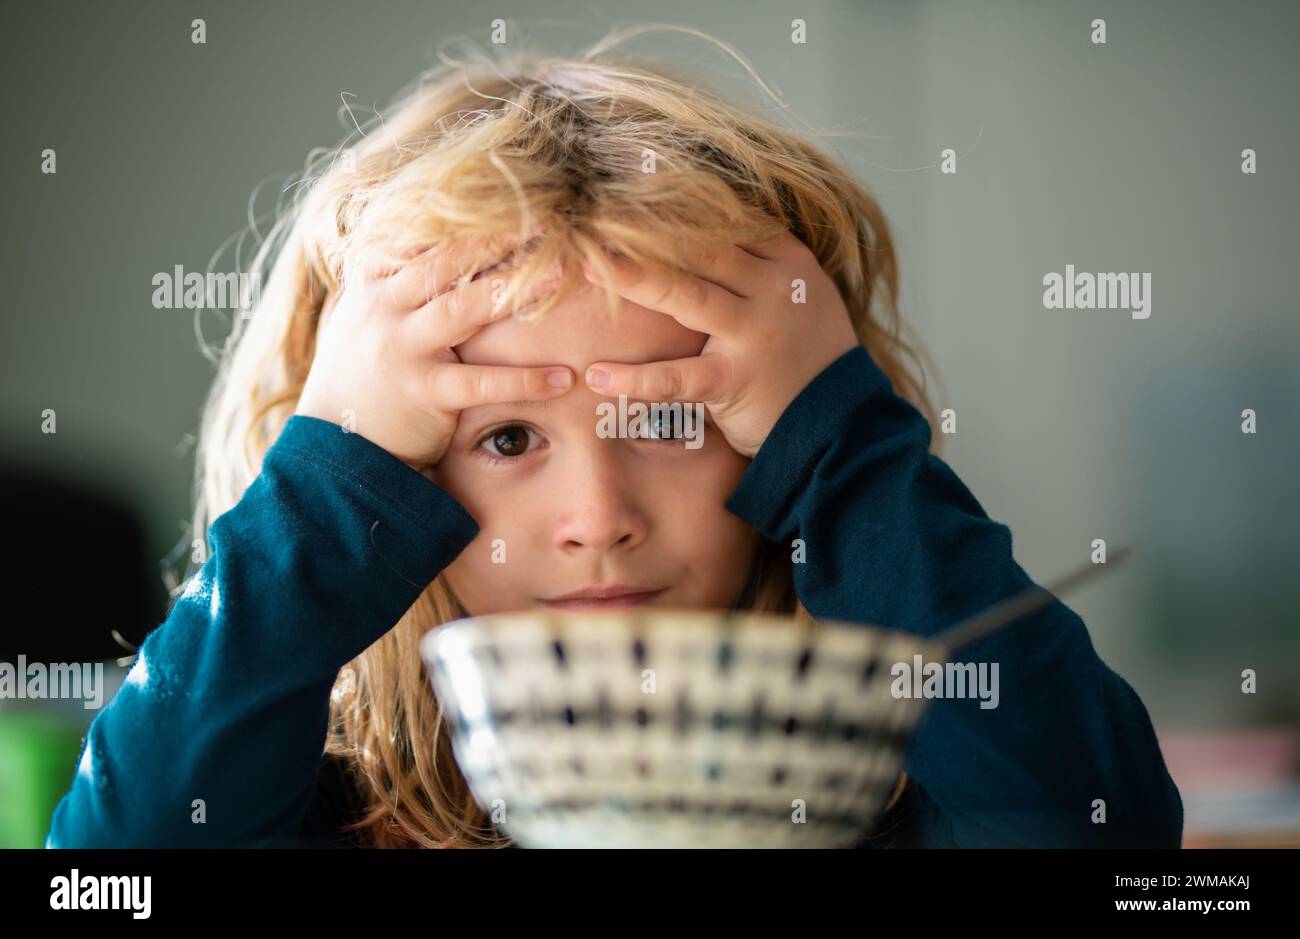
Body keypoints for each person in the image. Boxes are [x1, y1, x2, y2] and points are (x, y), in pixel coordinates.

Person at [45, 26, 1182, 849]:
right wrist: (326, 484)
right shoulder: (321, 806)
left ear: (784, 442)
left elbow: (1096, 834)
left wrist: (850, 459)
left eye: (672, 418)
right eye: (502, 440)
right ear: (381, 470)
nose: (598, 520)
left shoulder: (895, 794)